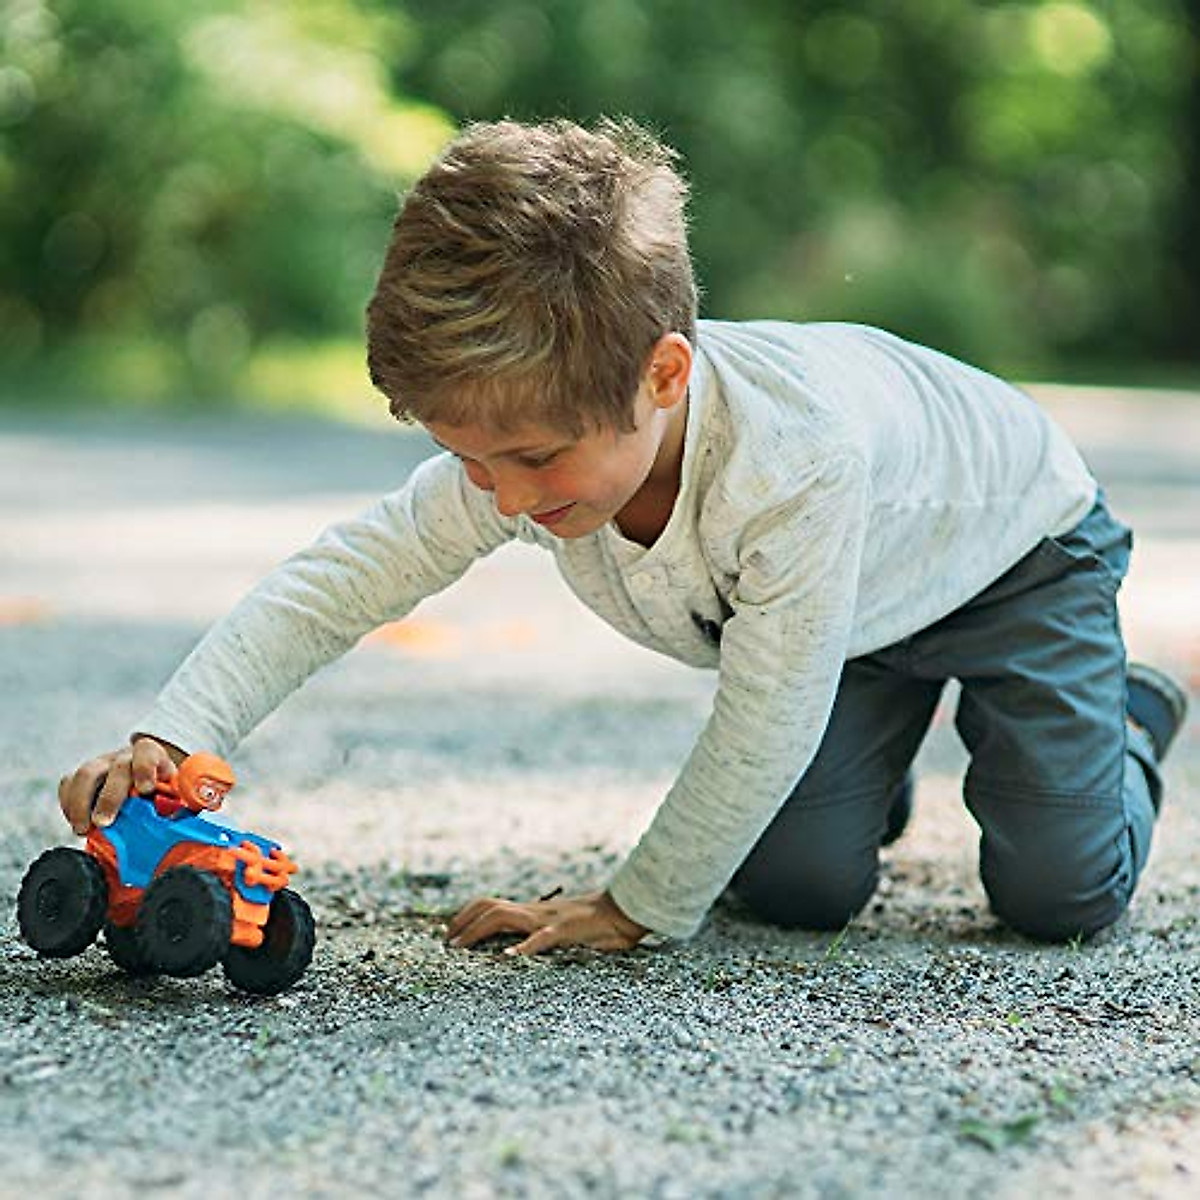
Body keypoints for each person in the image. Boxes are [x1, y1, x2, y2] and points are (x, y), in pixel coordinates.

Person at [58, 118, 1189, 956]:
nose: (502, 499)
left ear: (664, 376)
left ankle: (1125, 716)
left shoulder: (792, 466)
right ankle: (868, 760)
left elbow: (763, 717)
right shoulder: (528, 449)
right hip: (848, 615)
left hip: (1012, 554)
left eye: (536, 461)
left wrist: (636, 905)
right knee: (796, 884)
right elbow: (336, 584)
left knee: (1058, 893)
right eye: (472, 460)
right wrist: (175, 730)